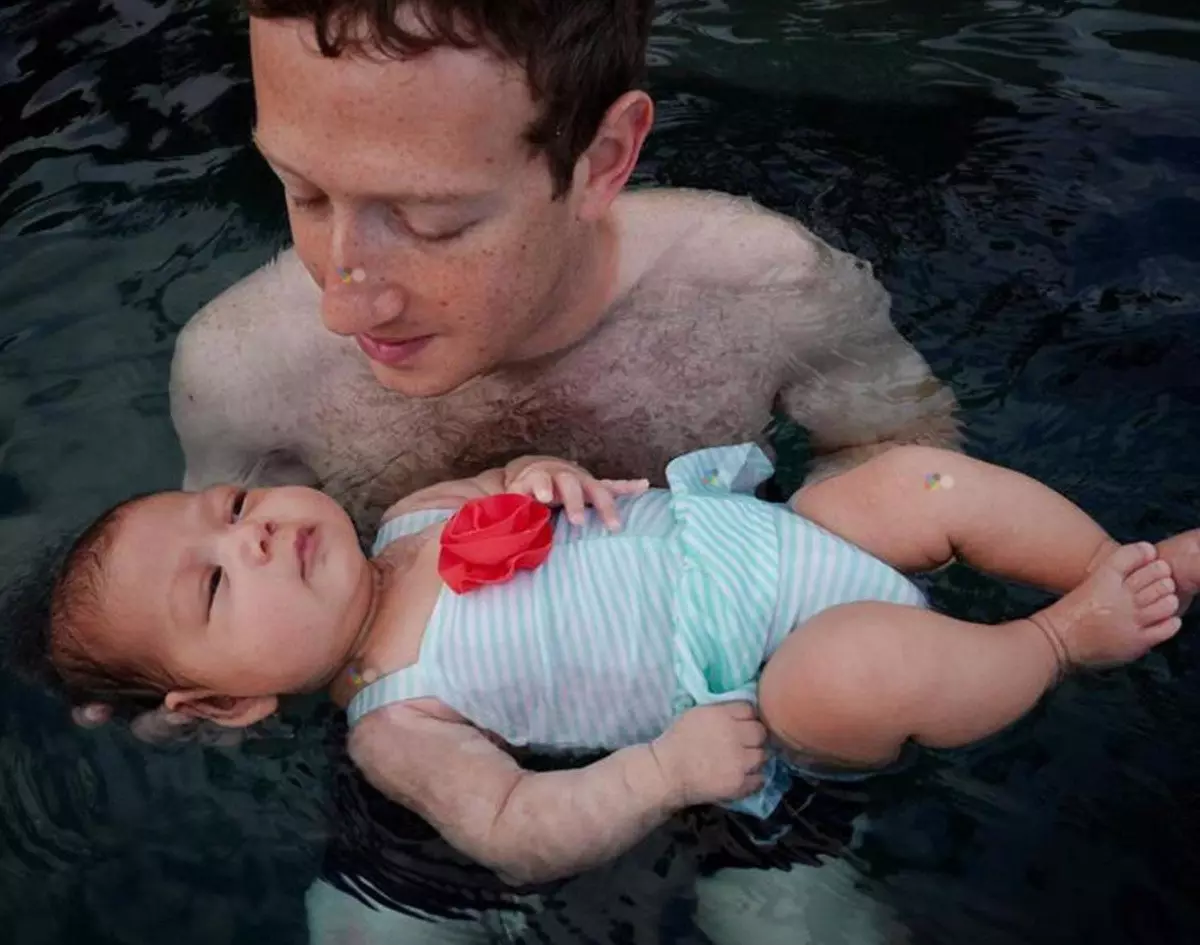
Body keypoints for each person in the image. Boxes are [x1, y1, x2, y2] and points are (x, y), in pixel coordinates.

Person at [88, 0, 969, 940]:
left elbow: (914, 473)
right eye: (301, 194)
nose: (344, 305)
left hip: (755, 698)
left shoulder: (766, 291)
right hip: (422, 747)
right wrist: (160, 702)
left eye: (429, 220)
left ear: (600, 159)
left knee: (794, 920)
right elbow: (202, 615)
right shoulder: (243, 371)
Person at [47, 441, 1196, 886]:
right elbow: (510, 829)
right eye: (212, 585)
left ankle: (1124, 569)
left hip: (785, 536)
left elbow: (519, 478)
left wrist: (542, 475)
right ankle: (1060, 639)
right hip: (769, 668)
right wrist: (660, 775)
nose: (246, 534)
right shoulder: (398, 724)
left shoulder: (407, 516)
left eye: (231, 504)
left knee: (907, 482)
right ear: (239, 699)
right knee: (847, 679)